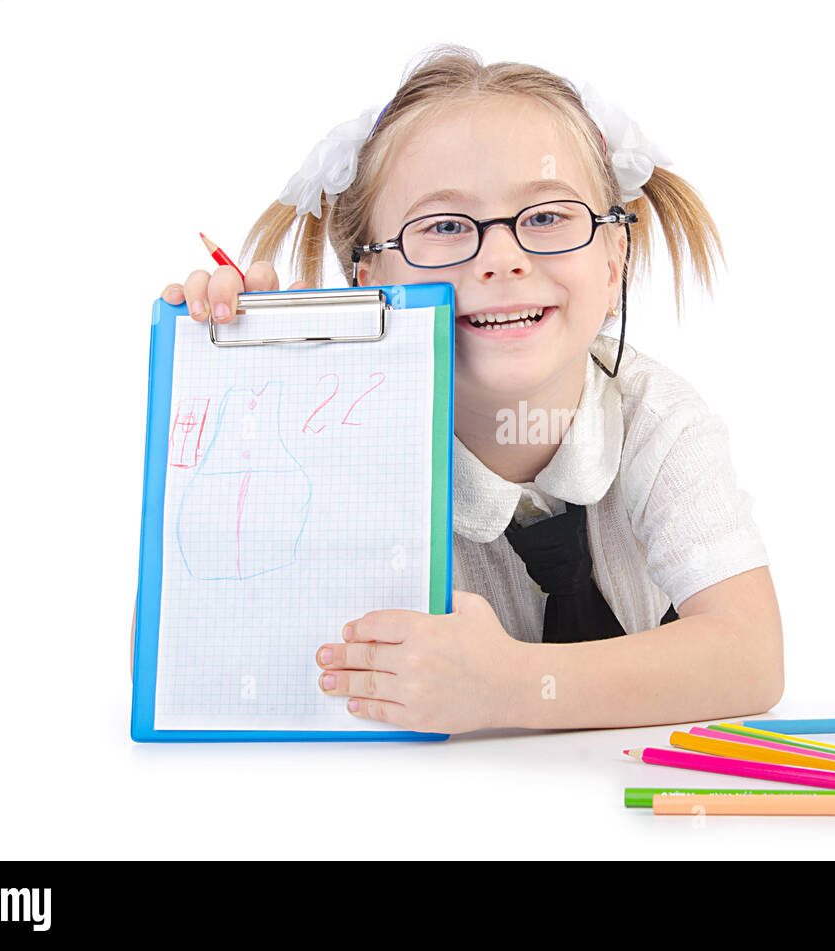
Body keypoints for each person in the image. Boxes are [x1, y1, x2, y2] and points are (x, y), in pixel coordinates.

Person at [144, 45, 783, 734]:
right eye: (445, 227)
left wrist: (513, 688)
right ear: (366, 277)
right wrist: (236, 392)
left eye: (545, 216)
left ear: (613, 260)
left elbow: (752, 656)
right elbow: (174, 664)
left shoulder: (657, 420)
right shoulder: (336, 432)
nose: (501, 259)